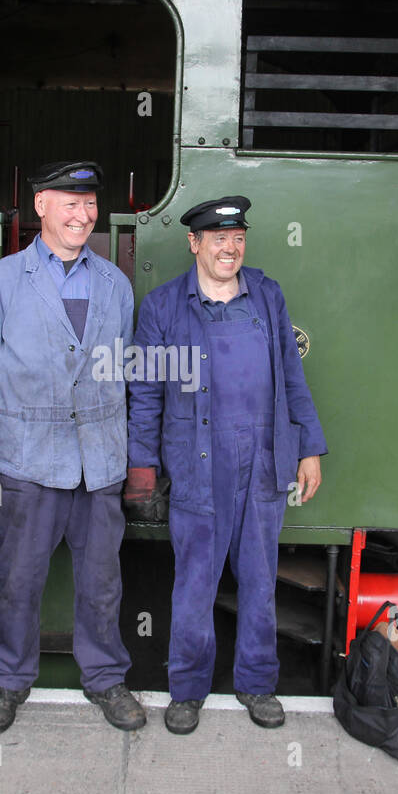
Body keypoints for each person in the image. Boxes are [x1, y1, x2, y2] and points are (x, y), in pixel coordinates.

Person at [125, 195, 327, 734]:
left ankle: (258, 683)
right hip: (197, 466)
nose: (229, 248)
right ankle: (187, 690)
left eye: (237, 239)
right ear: (195, 243)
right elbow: (145, 393)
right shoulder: (164, 308)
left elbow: (292, 378)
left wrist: (309, 447)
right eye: (218, 239)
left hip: (262, 463)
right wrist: (141, 466)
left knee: (260, 582)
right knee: (194, 584)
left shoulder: (266, 297)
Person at [0, 160, 146, 734]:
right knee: (19, 580)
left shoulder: (115, 284)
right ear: (40, 205)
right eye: (69, 202)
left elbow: (124, 369)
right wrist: (15, 437)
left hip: (99, 462)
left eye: (89, 203)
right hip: (29, 462)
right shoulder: (2, 281)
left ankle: (106, 680)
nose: (83, 214)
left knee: (101, 581)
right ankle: (9, 682)